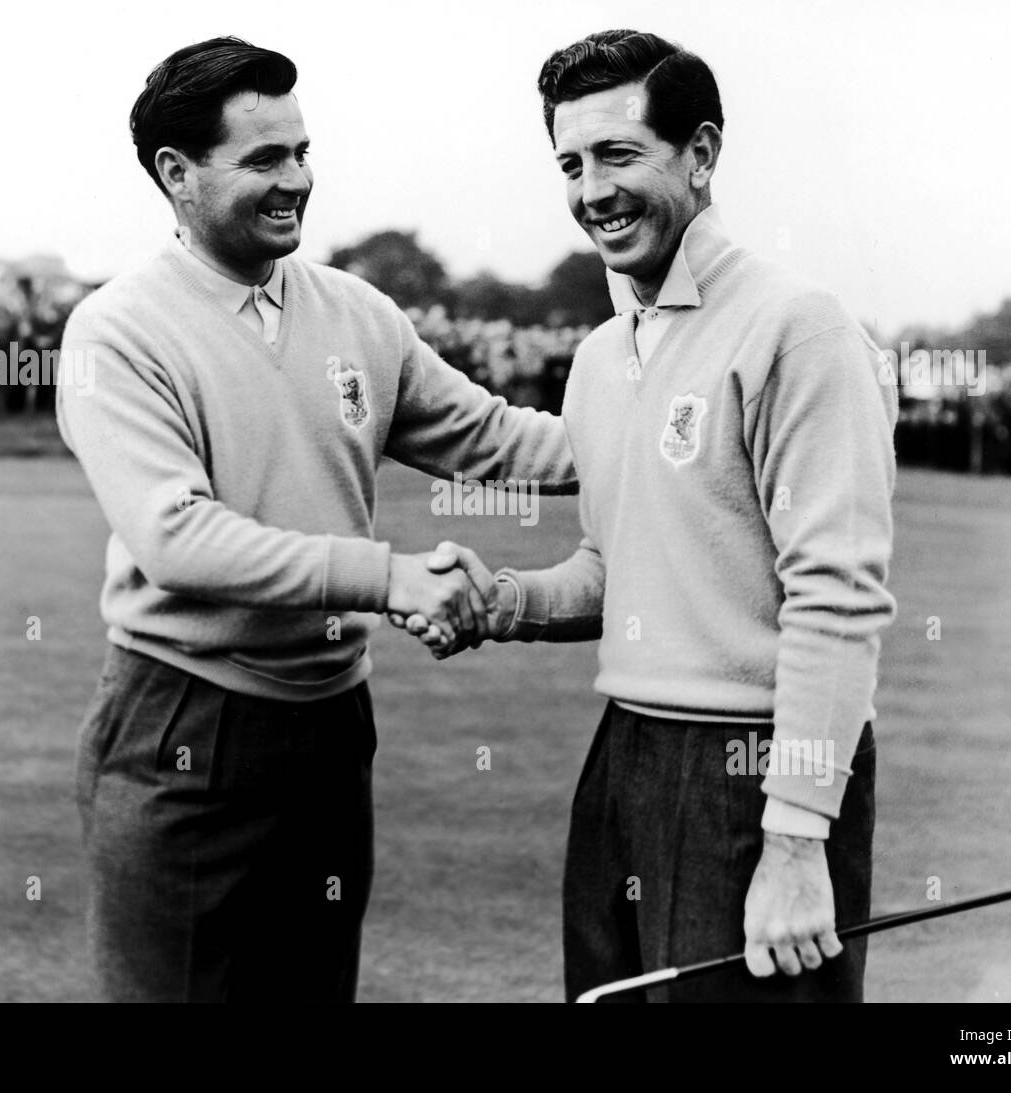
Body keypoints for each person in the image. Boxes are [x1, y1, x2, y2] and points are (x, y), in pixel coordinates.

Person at [56, 36, 576, 1003]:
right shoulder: (117, 331)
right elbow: (177, 537)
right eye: (264, 159)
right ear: (176, 174)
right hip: (183, 720)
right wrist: (388, 575)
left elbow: (500, 440)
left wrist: (686, 434)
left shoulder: (358, 313)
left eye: (301, 152)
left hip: (332, 725)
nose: (296, 178)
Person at [397, 28, 898, 1002]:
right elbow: (617, 566)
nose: (592, 191)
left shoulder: (797, 327)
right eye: (571, 164)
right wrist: (494, 602)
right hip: (623, 751)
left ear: (700, 155)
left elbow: (835, 598)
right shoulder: (598, 355)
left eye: (619, 155)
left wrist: (796, 837)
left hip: (749, 771)